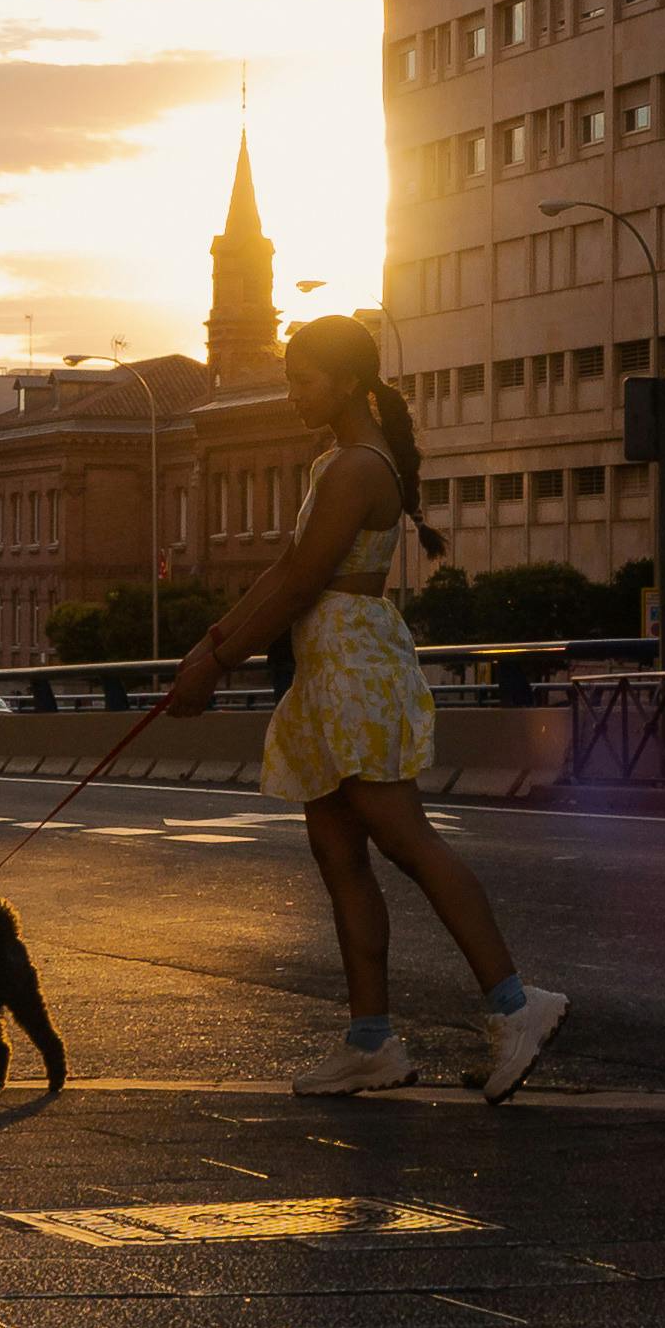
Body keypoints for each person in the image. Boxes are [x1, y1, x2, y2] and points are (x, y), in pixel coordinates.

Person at [160, 313, 568, 1101]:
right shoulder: (338, 461)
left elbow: (300, 576)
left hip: (351, 667)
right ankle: (371, 1040)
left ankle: (517, 1005)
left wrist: (212, 660)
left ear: (346, 380)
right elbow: (285, 569)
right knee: (339, 854)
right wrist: (210, 647)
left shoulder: (353, 467)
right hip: (329, 669)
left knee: (407, 841)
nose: (291, 393)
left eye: (302, 378)